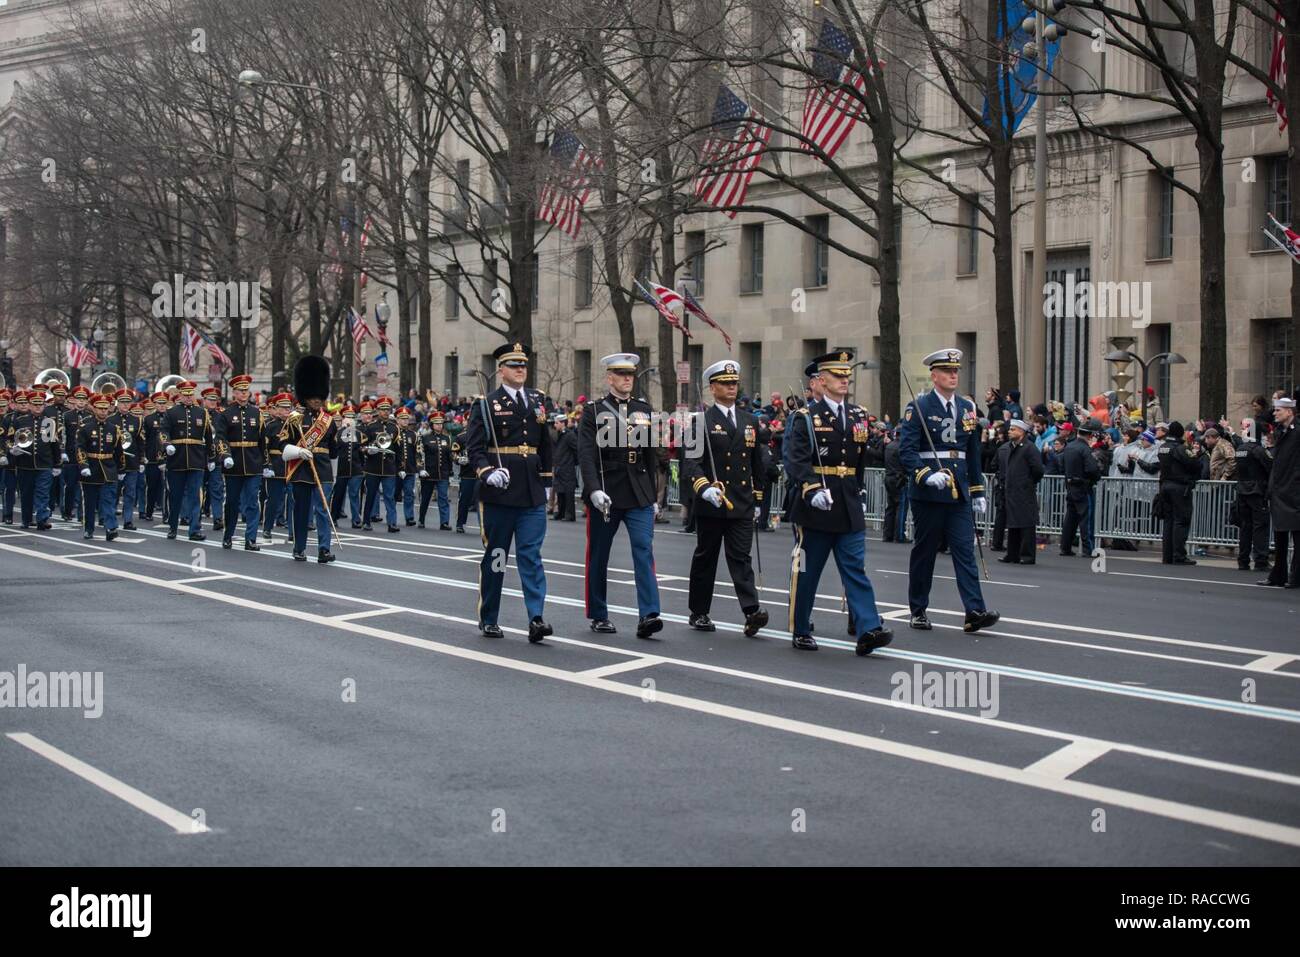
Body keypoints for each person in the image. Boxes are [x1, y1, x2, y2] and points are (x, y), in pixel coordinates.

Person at [784, 349, 891, 655]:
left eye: (846, 375)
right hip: (816, 505)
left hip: (847, 502)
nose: (845, 380)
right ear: (821, 380)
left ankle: (868, 628)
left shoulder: (858, 415)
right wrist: (811, 489)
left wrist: (860, 490)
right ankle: (801, 628)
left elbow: (859, 459)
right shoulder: (806, 417)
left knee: (855, 568)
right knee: (808, 571)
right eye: (837, 375)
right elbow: (796, 460)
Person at [898, 348, 999, 633]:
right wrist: (925, 475)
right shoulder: (919, 407)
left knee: (965, 550)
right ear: (934, 375)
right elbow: (907, 451)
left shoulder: (967, 408)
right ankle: (918, 609)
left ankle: (974, 610)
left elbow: (973, 451)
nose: (953, 376)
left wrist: (977, 490)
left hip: (958, 491)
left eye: (955, 371)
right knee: (926, 551)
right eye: (947, 371)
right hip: (929, 492)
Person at [463, 341, 554, 642]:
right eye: (514, 365)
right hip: (499, 493)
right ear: (501, 370)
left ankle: (536, 618)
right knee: (498, 556)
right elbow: (475, 447)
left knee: (531, 556)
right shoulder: (486, 404)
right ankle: (489, 617)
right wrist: (487, 472)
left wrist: (547, 481)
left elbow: (545, 444)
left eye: (523, 365)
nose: (520, 370)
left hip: (531, 490)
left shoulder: (538, 400)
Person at [681, 359, 769, 637]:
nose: (731, 387)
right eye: (725, 383)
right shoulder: (700, 422)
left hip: (741, 502)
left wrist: (758, 498)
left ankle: (751, 611)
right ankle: (699, 612)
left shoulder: (750, 421)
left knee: (741, 557)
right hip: (712, 501)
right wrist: (704, 487)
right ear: (713, 388)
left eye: (734, 383)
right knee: (706, 557)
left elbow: (756, 463)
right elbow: (691, 463)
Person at [578, 353, 662, 638]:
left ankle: (649, 614)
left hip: (638, 492)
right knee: (599, 554)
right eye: (621, 374)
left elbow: (650, 456)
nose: (627, 379)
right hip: (607, 491)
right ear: (610, 378)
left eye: (630, 374)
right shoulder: (594, 411)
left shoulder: (643, 409)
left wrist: (653, 497)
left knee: (644, 550)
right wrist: (593, 489)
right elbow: (586, 455)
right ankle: (599, 614)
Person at [282, 356, 339, 563]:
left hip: (322, 469)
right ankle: (299, 547)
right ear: (305, 396)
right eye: (313, 396)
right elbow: (282, 445)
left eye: (319, 397)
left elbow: (333, 452)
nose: (316, 400)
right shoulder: (294, 419)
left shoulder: (329, 421)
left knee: (323, 510)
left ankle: (324, 549)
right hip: (301, 469)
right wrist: (299, 452)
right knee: (301, 510)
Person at [161, 379, 215, 541]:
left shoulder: (202, 413)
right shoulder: (171, 412)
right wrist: (167, 444)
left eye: (191, 394)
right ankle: (173, 527)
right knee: (175, 497)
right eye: (185, 395)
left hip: (196, 460)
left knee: (195, 497)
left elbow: (208, 437)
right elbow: (163, 431)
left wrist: (211, 457)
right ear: (180, 395)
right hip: (176, 460)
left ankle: (194, 529)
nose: (189, 397)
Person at [215, 373, 265, 551]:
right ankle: (228, 535)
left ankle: (251, 539)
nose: (244, 393)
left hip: (253, 463)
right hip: (233, 464)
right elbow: (220, 438)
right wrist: (225, 455)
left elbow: (263, 441)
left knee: (252, 502)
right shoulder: (226, 414)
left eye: (246, 390)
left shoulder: (257, 413)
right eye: (240, 391)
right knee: (232, 503)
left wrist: (266, 464)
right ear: (234, 393)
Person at [1260, 396, 1299, 587]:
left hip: (1294, 490)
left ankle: (1296, 576)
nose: (1274, 413)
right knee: (1280, 536)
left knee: (1297, 537)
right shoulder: (1281, 431)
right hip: (1280, 490)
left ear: (1289, 411)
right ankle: (1278, 574)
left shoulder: (1297, 431)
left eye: (1278, 410)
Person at [76, 393, 125, 540]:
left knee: (109, 501)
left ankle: (111, 528)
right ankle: (88, 528)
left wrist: (121, 468)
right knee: (89, 502)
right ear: (94, 408)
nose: (103, 411)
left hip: (108, 468)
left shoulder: (114, 429)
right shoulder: (85, 427)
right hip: (91, 468)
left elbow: (119, 450)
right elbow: (80, 448)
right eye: (100, 408)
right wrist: (83, 465)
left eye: (105, 408)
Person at [1225, 416, 1272, 572]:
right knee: (1260, 527)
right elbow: (1270, 467)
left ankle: (1243, 560)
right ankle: (1260, 561)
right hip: (1256, 492)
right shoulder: (1258, 450)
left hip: (1242, 492)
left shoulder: (1241, 449)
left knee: (1245, 527)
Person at [995, 419, 1044, 564]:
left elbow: (1038, 470)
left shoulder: (1029, 448)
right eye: (1010, 429)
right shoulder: (1010, 447)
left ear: (1022, 432)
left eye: (1013, 429)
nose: (1009, 431)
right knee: (1013, 523)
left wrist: (1027, 482)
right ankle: (1012, 554)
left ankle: (1027, 555)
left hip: (1024, 491)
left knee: (1026, 523)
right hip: (1011, 491)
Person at [1156, 420, 1200, 565]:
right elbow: (1194, 464)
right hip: (1179, 487)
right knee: (1181, 521)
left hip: (1165, 486)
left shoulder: (1163, 447)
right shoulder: (1179, 448)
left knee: (1169, 521)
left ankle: (1167, 555)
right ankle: (1179, 555)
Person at [1059, 420, 1101, 556]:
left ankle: (1065, 547)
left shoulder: (1069, 447)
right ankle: (1088, 549)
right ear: (1090, 435)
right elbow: (1092, 469)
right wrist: (1095, 477)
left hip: (1070, 486)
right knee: (1086, 520)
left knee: (1070, 519)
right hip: (1083, 487)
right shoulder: (1085, 449)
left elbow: (1061, 465)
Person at [361, 396, 400, 532]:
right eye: (383, 409)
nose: (385, 412)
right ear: (377, 411)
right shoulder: (371, 427)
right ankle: (366, 521)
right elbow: (362, 446)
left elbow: (398, 449)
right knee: (371, 495)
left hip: (389, 467)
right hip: (373, 467)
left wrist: (400, 467)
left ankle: (392, 523)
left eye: (387, 409)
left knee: (390, 497)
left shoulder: (394, 428)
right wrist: (368, 451)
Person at [261, 393, 296, 542]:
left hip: (292, 467)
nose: (287, 410)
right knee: (273, 501)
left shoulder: (295, 426)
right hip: (276, 466)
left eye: (289, 407)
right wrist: (267, 465)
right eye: (283, 407)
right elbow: (264, 448)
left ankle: (293, 531)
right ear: (277, 409)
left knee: (293, 501)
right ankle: (267, 528)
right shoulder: (271, 426)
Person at [417, 410, 454, 529]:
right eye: (437, 424)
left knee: (443, 498)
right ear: (432, 425)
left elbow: (449, 457)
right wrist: (421, 469)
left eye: (441, 423)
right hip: (429, 473)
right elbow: (419, 455)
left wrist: (451, 473)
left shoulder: (447, 438)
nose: (439, 426)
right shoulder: (425, 438)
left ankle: (444, 522)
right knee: (425, 498)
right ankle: (421, 520)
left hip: (443, 473)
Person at [117, 392, 146, 531]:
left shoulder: (137, 420)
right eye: (122, 402)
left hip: (132, 462)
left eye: (127, 402)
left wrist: (141, 460)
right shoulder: (111, 419)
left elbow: (140, 443)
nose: (125, 405)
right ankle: (107, 517)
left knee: (130, 493)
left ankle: (128, 520)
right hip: (114, 464)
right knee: (113, 492)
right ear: (117, 403)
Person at [200, 386, 226, 530]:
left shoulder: (221, 416)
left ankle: (217, 518)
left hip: (215, 457)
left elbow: (223, 436)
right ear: (204, 400)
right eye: (210, 399)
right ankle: (195, 517)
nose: (213, 402)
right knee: (198, 489)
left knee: (217, 489)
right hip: (199, 457)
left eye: (215, 400)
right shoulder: (197, 413)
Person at [883, 427, 909, 543]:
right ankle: (899, 535)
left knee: (890, 507)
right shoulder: (902, 447)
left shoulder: (889, 445)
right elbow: (905, 464)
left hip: (889, 477)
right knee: (901, 508)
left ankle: (887, 535)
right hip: (899, 479)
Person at [550, 411, 578, 522]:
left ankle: (569, 514)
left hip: (567, 468)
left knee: (568, 492)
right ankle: (561, 513)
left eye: (557, 423)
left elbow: (577, 450)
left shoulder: (570, 435)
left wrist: (571, 462)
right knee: (560, 491)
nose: (555, 425)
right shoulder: (560, 434)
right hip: (560, 467)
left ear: (563, 423)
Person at [395, 407, 419, 527]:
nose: (405, 421)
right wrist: (397, 468)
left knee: (409, 494)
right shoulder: (394, 433)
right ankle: (391, 517)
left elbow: (417, 453)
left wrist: (419, 468)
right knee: (394, 495)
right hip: (395, 471)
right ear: (397, 420)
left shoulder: (413, 435)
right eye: (402, 418)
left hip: (409, 469)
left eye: (406, 419)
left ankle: (409, 517)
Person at [0, 388, 15, 524]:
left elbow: (8, 439)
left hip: (7, 458)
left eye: (4, 405)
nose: (1, 408)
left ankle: (7, 514)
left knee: (6, 487)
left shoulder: (11, 418)